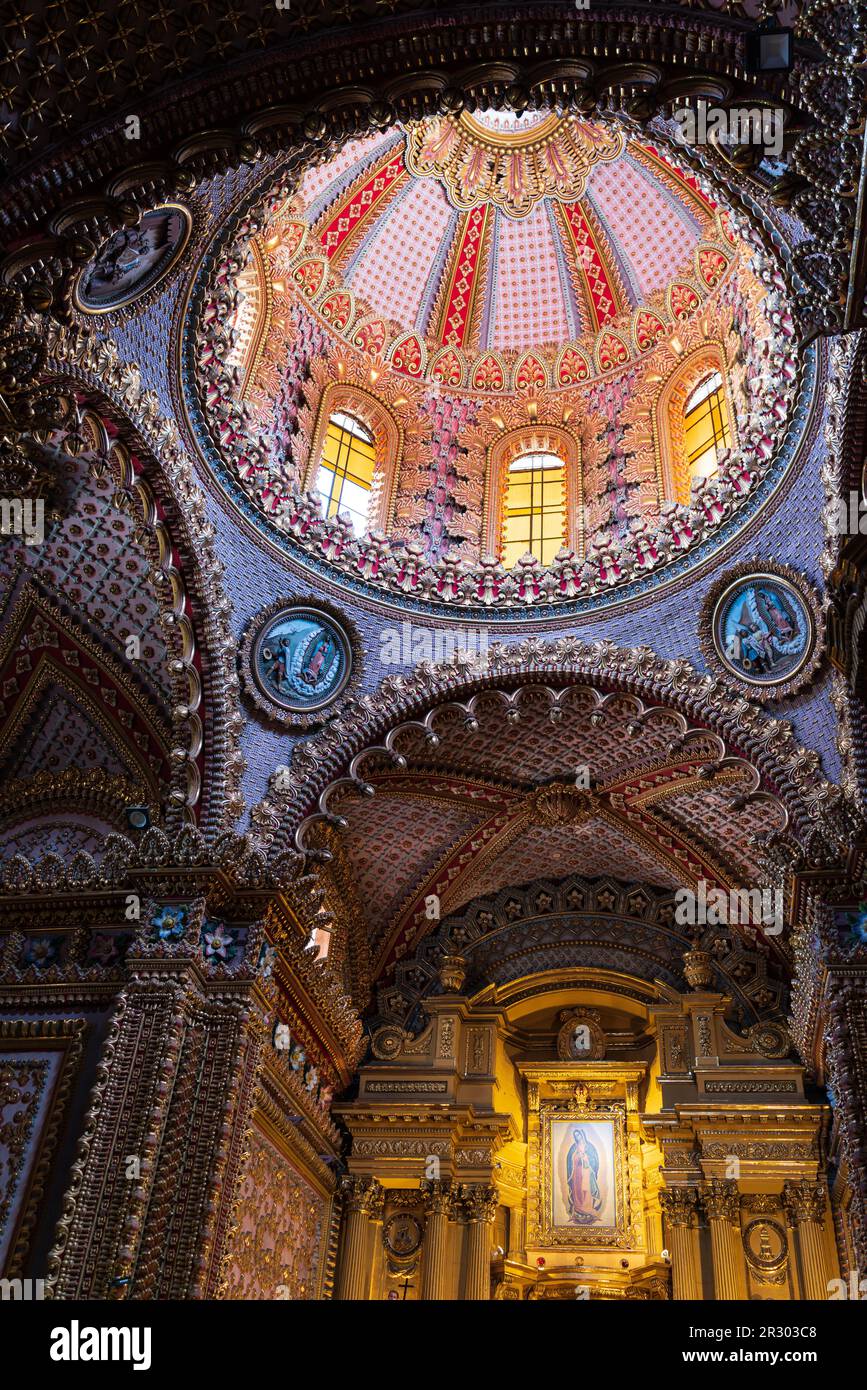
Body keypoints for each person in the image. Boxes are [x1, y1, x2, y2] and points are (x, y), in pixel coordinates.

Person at [565, 1127, 602, 1221]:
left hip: (586, 1172)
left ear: (582, 1135)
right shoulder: (574, 1147)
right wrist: (577, 1156)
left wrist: (586, 1157)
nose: (578, 1137)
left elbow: (594, 1160)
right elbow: (570, 1159)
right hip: (576, 1172)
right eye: (576, 1136)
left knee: (586, 1190)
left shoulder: (589, 1147)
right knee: (577, 1191)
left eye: (578, 1135)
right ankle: (578, 1210)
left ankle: (587, 1209)